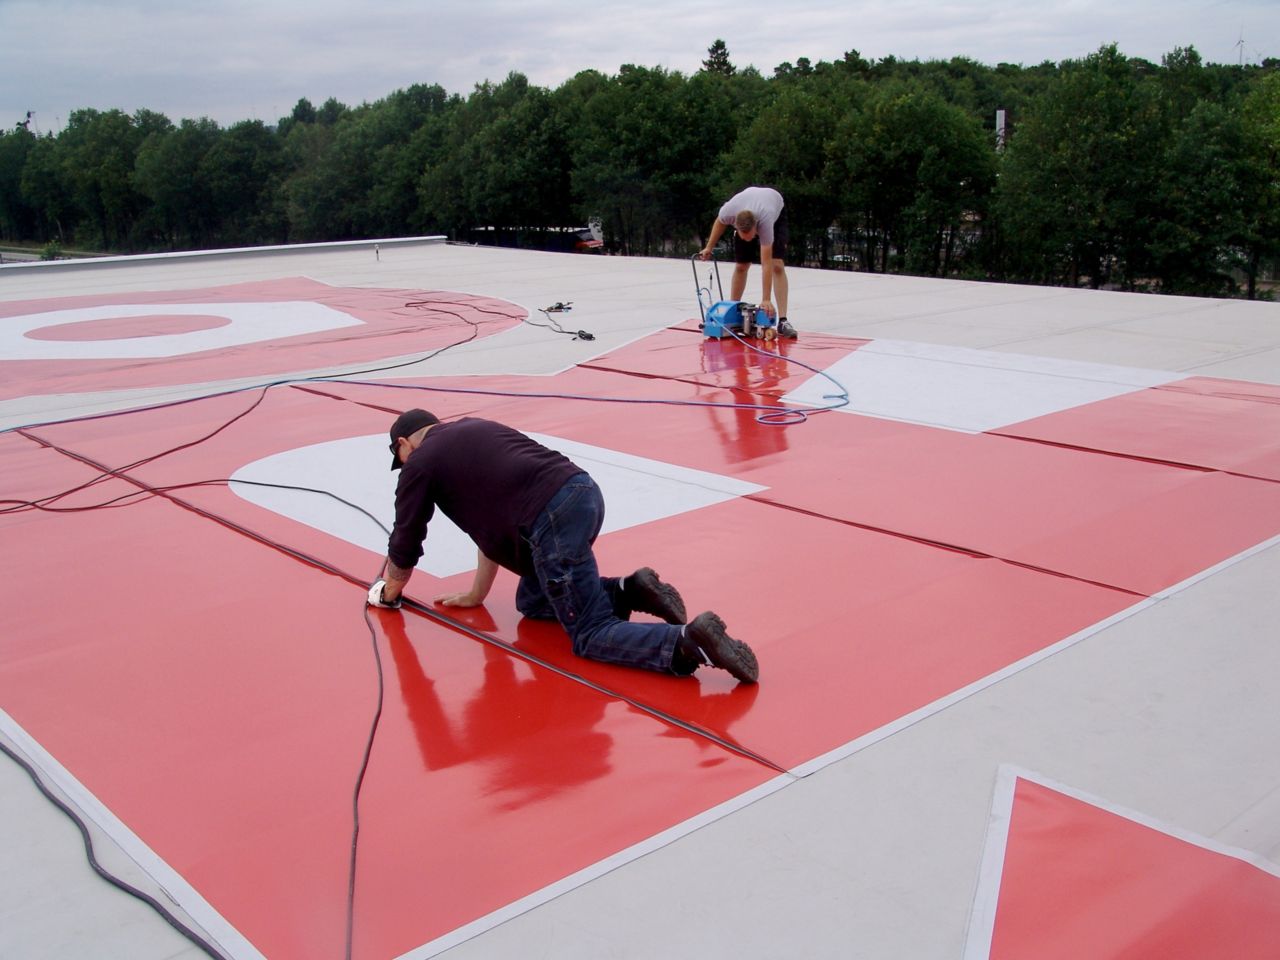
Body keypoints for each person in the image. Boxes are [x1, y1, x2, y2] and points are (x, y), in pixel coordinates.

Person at [367, 409, 759, 683]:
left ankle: (689, 641)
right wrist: (476, 593)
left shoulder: (420, 464)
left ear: (403, 444)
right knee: (534, 602)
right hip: (583, 493)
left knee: (590, 633)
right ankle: (630, 589)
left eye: (400, 459)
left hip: (550, 522)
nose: (404, 467)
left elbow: (407, 534)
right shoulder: (473, 430)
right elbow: (489, 531)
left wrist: (390, 591)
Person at [699, 185, 798, 339]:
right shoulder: (729, 212)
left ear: (756, 228)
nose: (746, 238)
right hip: (749, 201)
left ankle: (783, 321)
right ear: (736, 226)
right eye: (742, 234)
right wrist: (708, 248)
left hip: (774, 205)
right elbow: (719, 222)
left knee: (776, 264)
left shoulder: (765, 222)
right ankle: (732, 312)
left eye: (749, 234)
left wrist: (766, 299)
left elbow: (766, 264)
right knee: (741, 265)